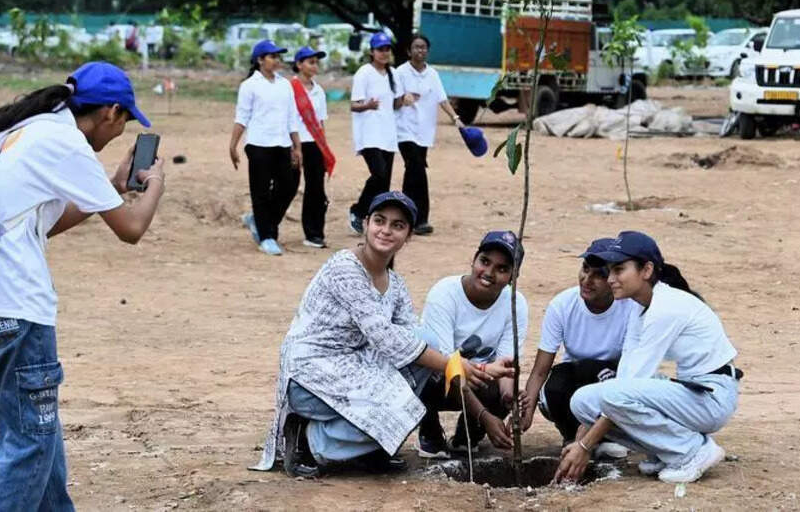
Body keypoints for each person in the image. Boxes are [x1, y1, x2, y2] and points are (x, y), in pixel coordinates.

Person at [0, 62, 165, 510]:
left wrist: (111, 185)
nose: (119, 134)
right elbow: (130, 229)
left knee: (33, 434)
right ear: (110, 112)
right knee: (30, 445)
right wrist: (155, 186)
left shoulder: (30, 129)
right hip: (18, 312)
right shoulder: (67, 143)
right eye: (124, 122)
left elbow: (43, 225)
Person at [253, 192, 515, 478]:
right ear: (365, 224)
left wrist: (477, 369)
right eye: (380, 221)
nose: (386, 230)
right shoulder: (345, 268)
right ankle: (306, 439)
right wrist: (453, 364)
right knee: (397, 404)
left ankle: (368, 448)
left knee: (414, 373)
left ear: (408, 236)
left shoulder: (396, 284)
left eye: (398, 225)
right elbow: (384, 338)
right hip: (310, 378)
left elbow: (412, 341)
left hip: (355, 371)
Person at [553, 231, 741, 485]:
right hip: (692, 392)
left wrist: (585, 445)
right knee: (582, 402)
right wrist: (581, 439)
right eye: (610, 271)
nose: (610, 279)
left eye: (619, 270)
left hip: (712, 398)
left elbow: (622, 391)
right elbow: (625, 376)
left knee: (613, 395)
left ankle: (692, 451)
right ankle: (665, 451)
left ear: (646, 270)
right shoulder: (639, 306)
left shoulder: (665, 307)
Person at [517, 238, 640, 459]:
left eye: (599, 275)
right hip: (574, 377)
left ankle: (607, 436)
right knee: (554, 388)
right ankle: (570, 436)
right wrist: (526, 412)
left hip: (612, 379)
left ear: (614, 279)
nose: (587, 279)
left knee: (600, 374)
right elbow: (540, 370)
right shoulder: (562, 304)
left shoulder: (631, 308)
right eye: (585, 269)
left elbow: (631, 372)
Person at [416, 230, 528, 458]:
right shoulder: (444, 294)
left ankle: (467, 435)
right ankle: (429, 430)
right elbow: (449, 368)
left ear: (513, 276)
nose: (489, 273)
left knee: (503, 387)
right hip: (439, 378)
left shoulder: (515, 302)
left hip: (478, 378)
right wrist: (485, 416)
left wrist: (509, 398)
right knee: (423, 372)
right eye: (484, 261)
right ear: (473, 260)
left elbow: (506, 365)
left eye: (502, 269)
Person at [229, 40, 303, 256]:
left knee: (289, 185)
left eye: (278, 56)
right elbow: (242, 117)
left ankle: (260, 221)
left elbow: (291, 117)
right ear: (260, 60)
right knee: (260, 191)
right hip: (258, 144)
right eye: (272, 56)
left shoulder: (284, 85)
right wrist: (233, 145)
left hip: (282, 143)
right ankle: (267, 236)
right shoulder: (249, 85)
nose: (276, 60)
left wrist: (297, 146)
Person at [347, 32, 416, 235]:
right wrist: (367, 105)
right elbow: (353, 105)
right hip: (369, 134)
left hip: (387, 134)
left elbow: (394, 104)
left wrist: (405, 99)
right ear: (372, 52)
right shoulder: (364, 73)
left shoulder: (393, 74)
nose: (384, 53)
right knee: (378, 174)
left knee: (384, 182)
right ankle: (358, 210)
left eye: (387, 49)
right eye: (380, 49)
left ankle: (373, 218)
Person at [393, 34, 464, 235]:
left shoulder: (432, 74)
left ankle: (405, 216)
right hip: (404, 130)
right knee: (417, 168)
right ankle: (420, 219)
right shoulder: (400, 73)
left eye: (423, 47)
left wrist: (455, 118)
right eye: (416, 47)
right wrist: (403, 99)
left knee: (412, 171)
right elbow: (393, 101)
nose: (420, 51)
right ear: (409, 51)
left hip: (424, 132)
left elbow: (442, 99)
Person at [289, 46, 337, 248]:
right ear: (299, 64)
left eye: (316, 62)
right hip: (293, 142)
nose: (314, 65)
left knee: (316, 188)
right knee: (288, 186)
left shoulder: (319, 91)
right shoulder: (289, 88)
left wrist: (323, 148)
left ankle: (314, 233)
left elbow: (320, 122)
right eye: (310, 62)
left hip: (314, 143)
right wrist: (293, 146)